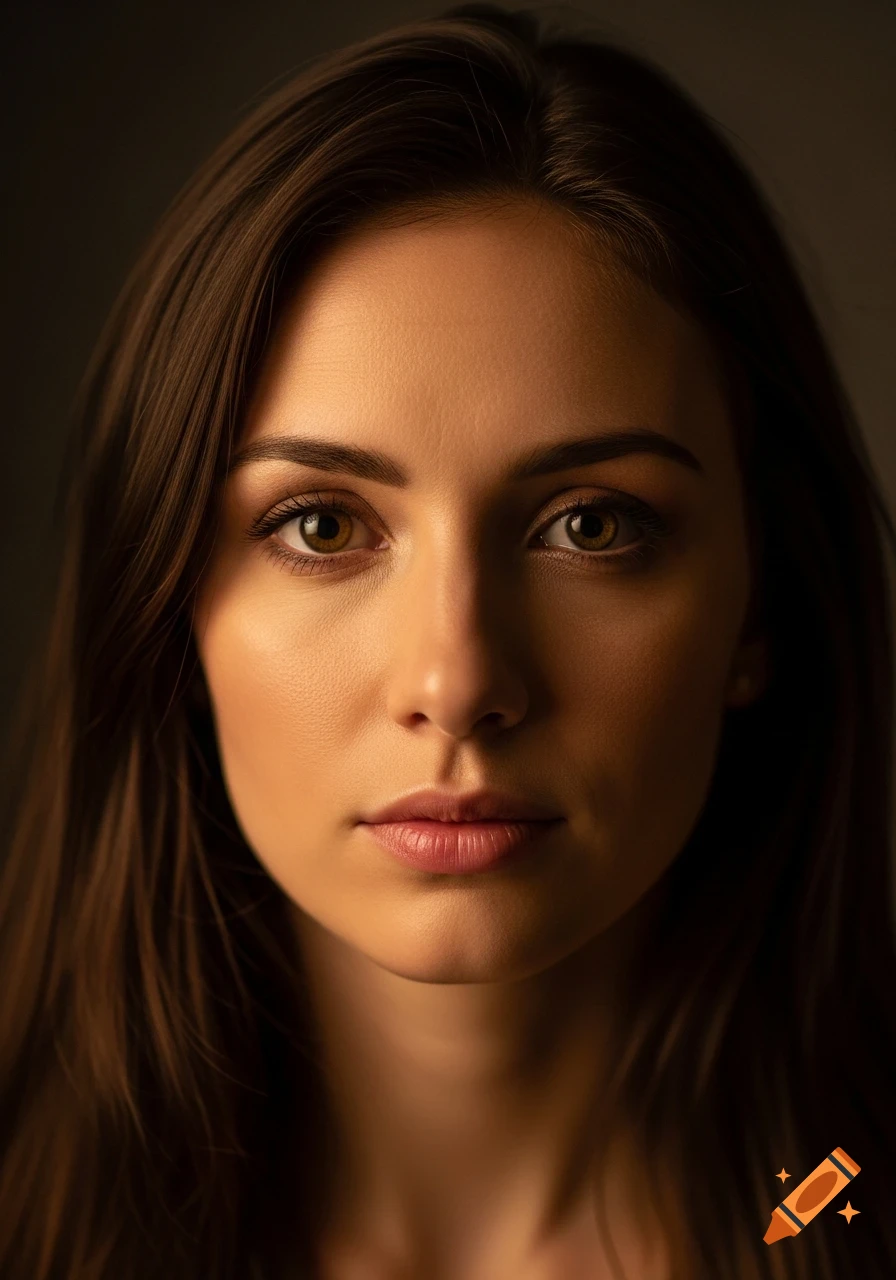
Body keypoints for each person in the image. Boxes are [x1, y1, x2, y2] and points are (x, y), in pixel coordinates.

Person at [1, 4, 894, 1278]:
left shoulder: (846, 1206)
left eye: (589, 524)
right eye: (319, 524)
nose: (457, 680)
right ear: (171, 608)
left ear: (759, 604)